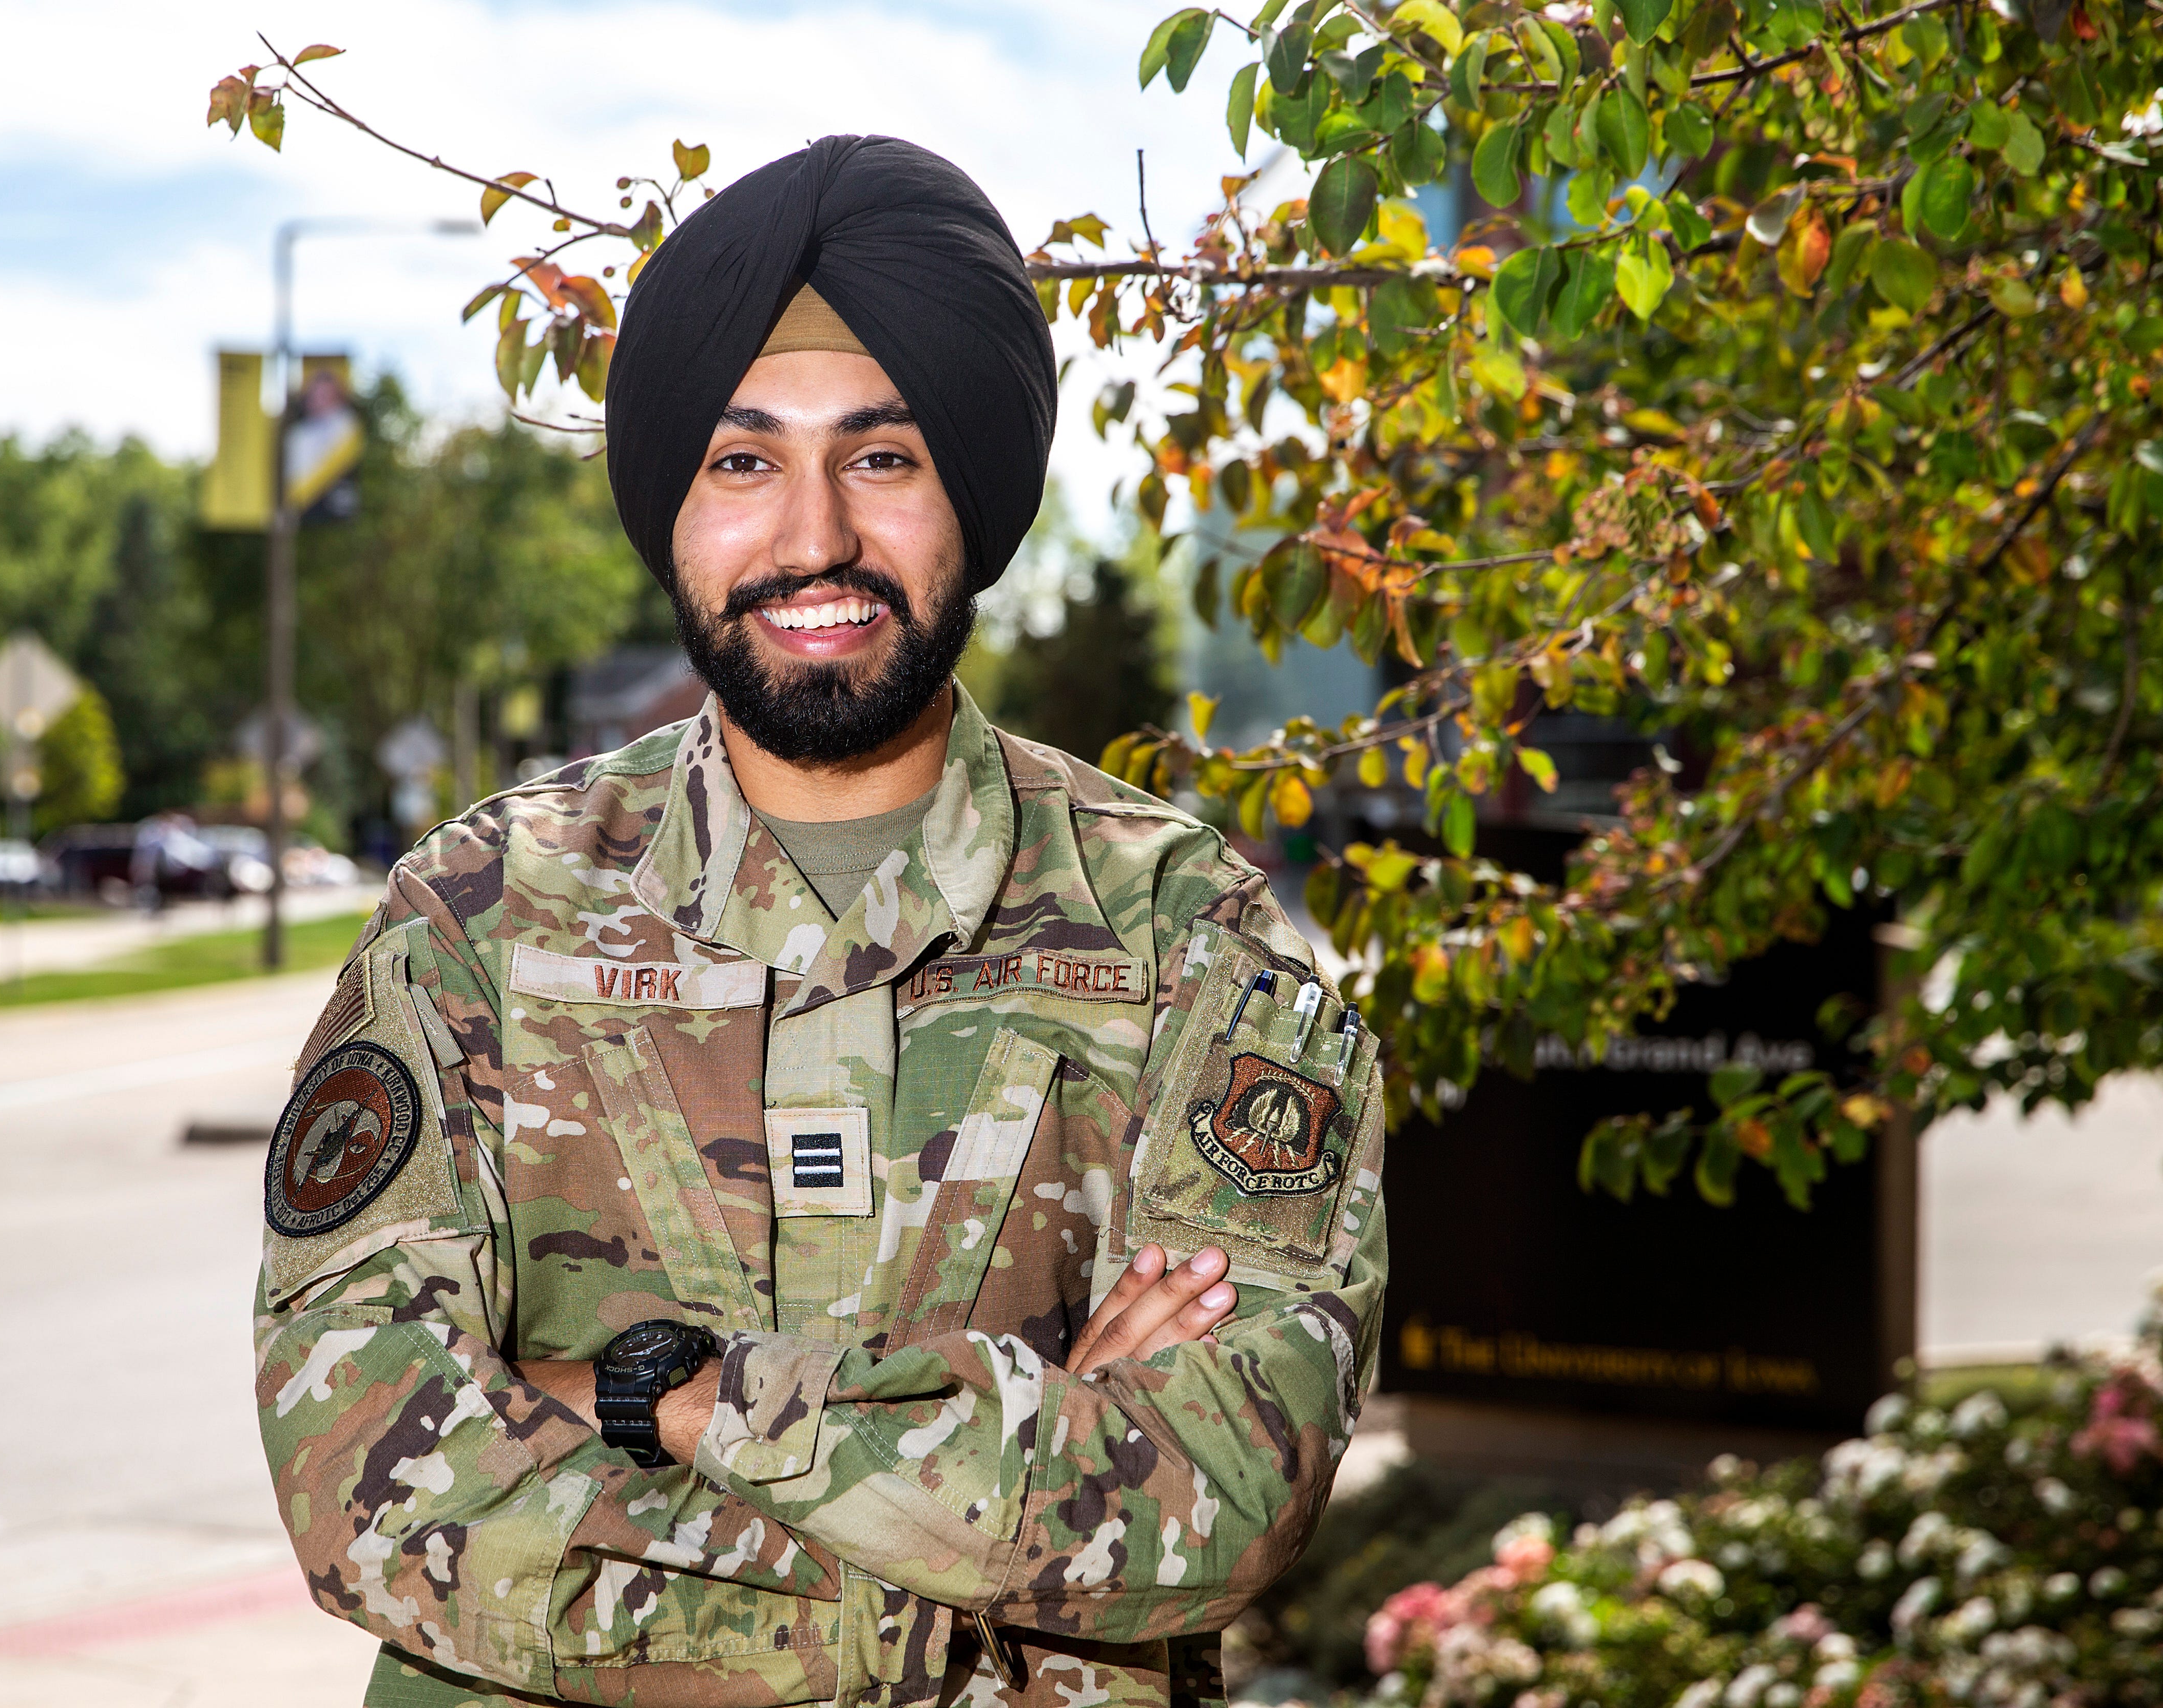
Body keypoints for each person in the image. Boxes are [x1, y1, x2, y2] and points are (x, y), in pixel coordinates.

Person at [254, 134, 1389, 1708]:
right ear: (670, 504)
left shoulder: (1188, 934)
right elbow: (363, 1480)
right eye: (740, 460)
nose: (812, 542)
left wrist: (671, 1403)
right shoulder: (479, 919)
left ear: (971, 495)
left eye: (883, 455)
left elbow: (1225, 1491)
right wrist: (986, 1569)